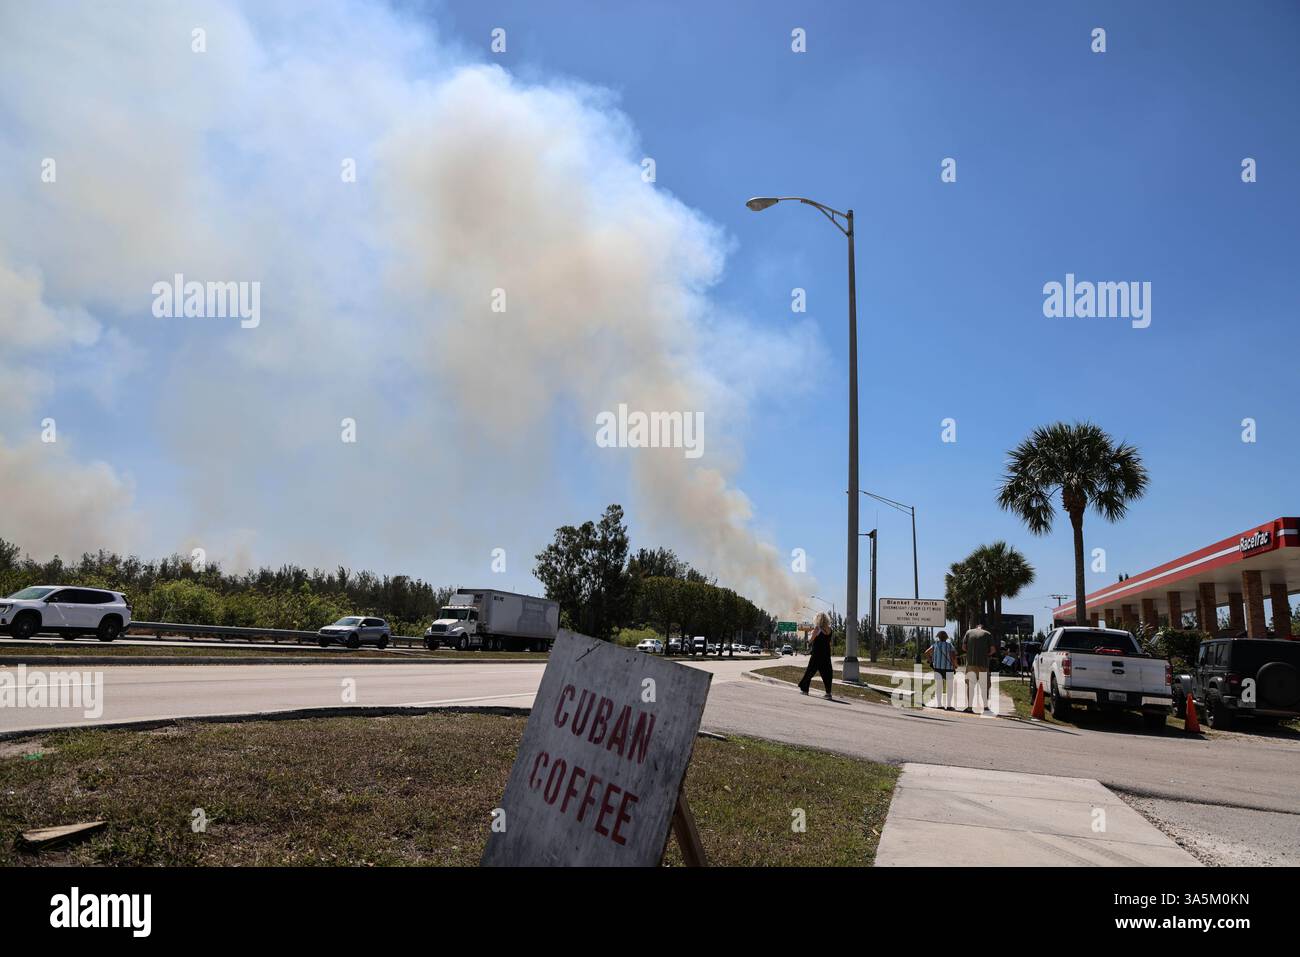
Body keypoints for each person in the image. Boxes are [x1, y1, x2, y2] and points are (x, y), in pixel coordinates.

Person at [959, 615, 996, 713]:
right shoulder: (988, 634)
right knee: (984, 686)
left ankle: (970, 707)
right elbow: (993, 650)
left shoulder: (969, 632)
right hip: (983, 664)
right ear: (984, 626)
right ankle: (985, 707)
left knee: (970, 686)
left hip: (971, 664)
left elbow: (963, 647)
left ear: (976, 626)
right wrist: (986, 654)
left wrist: (970, 652)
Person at [798, 611, 835, 699]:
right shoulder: (829, 630)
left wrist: (808, 642)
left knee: (810, 671)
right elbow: (828, 642)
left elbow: (811, 640)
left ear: (818, 619)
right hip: (826, 654)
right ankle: (828, 693)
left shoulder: (817, 629)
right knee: (827, 673)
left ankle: (805, 689)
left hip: (817, 654)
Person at [923, 629, 957, 710]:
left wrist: (931, 661)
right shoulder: (950, 645)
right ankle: (948, 705)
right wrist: (955, 665)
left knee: (939, 687)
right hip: (948, 669)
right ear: (946, 638)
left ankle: (939, 704)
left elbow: (926, 652)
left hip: (937, 668)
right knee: (949, 687)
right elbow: (953, 656)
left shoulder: (935, 645)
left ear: (938, 637)